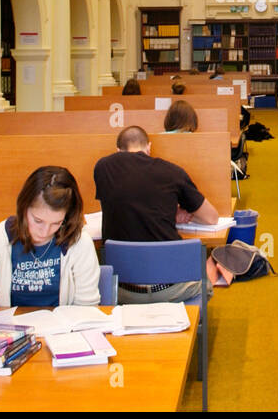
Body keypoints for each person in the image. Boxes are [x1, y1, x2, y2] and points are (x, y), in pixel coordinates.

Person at [0, 165, 100, 318]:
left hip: (61, 333)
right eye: (38, 221)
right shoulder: (0, 235)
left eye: (56, 223)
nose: (44, 232)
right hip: (11, 331)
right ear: (24, 209)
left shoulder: (79, 242)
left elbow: (87, 307)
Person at [93, 126, 220, 303]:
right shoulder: (172, 172)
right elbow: (211, 217)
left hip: (120, 289)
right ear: (149, 147)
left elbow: (121, 206)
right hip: (168, 287)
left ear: (118, 151)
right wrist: (171, 212)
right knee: (205, 283)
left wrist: (167, 213)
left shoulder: (102, 168)